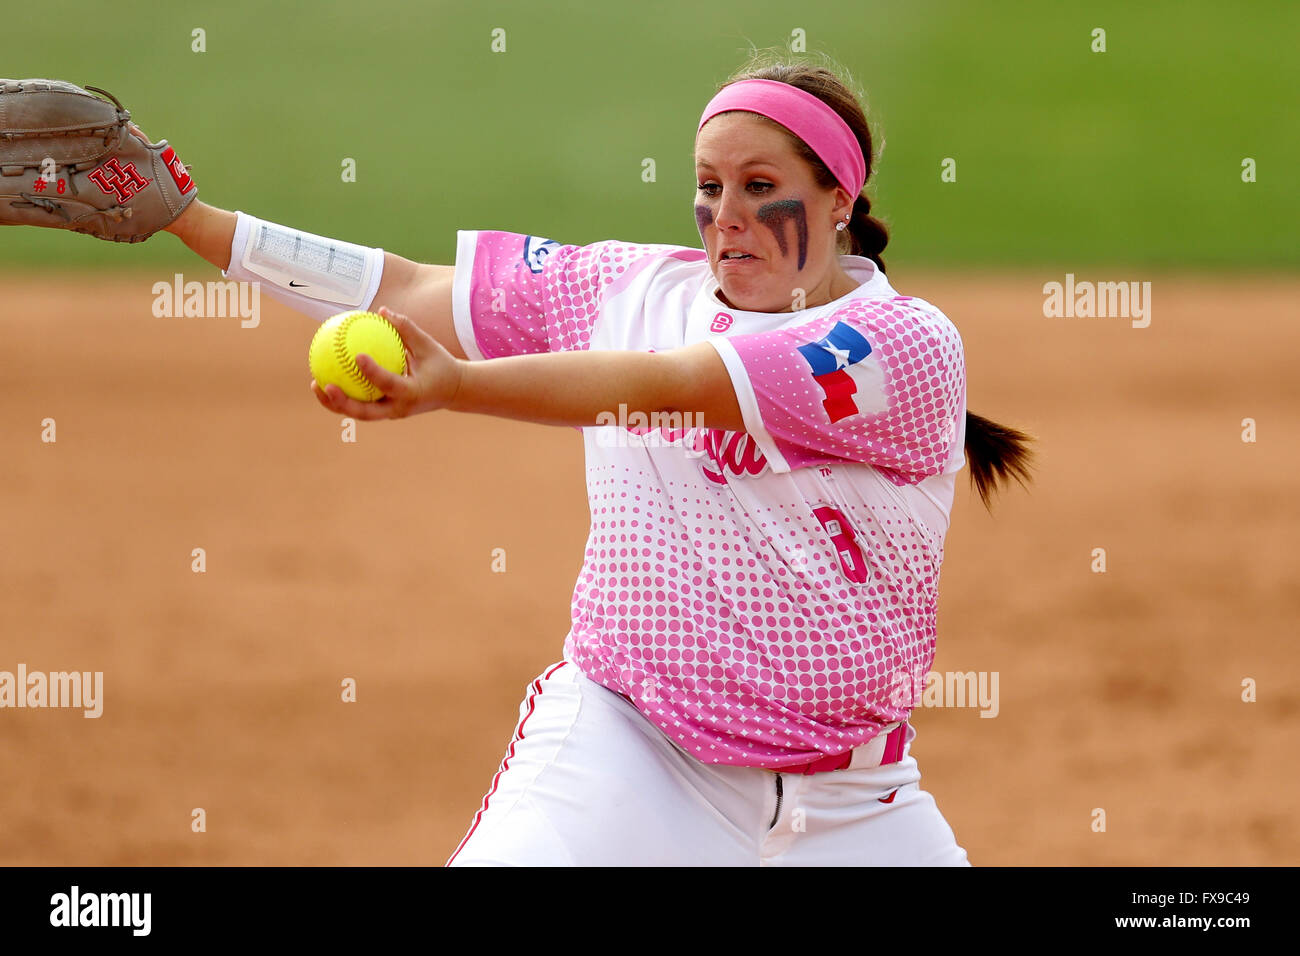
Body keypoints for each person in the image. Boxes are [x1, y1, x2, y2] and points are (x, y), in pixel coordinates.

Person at [8, 57, 1033, 866]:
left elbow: (671, 382)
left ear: (838, 198)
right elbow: (406, 288)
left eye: (760, 187)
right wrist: (192, 218)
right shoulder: (630, 284)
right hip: (633, 754)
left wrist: (456, 386)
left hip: (854, 805)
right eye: (708, 185)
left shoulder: (901, 345)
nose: (724, 215)